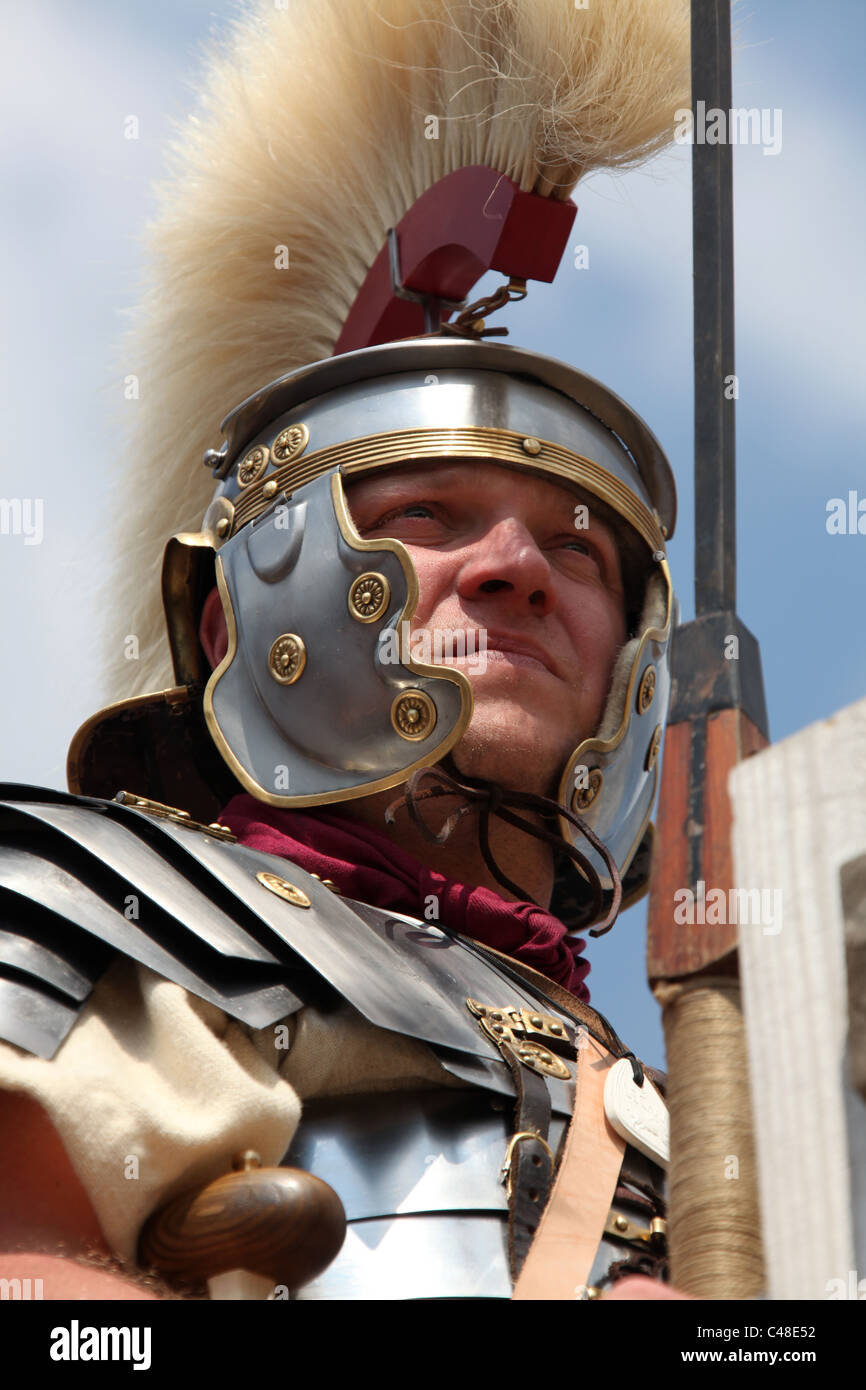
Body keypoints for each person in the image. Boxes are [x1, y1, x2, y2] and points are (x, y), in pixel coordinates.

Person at [0, 0, 691, 1301]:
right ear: (233, 623)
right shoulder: (97, 913)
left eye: (579, 551)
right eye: (427, 514)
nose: (516, 571)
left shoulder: (680, 1102)